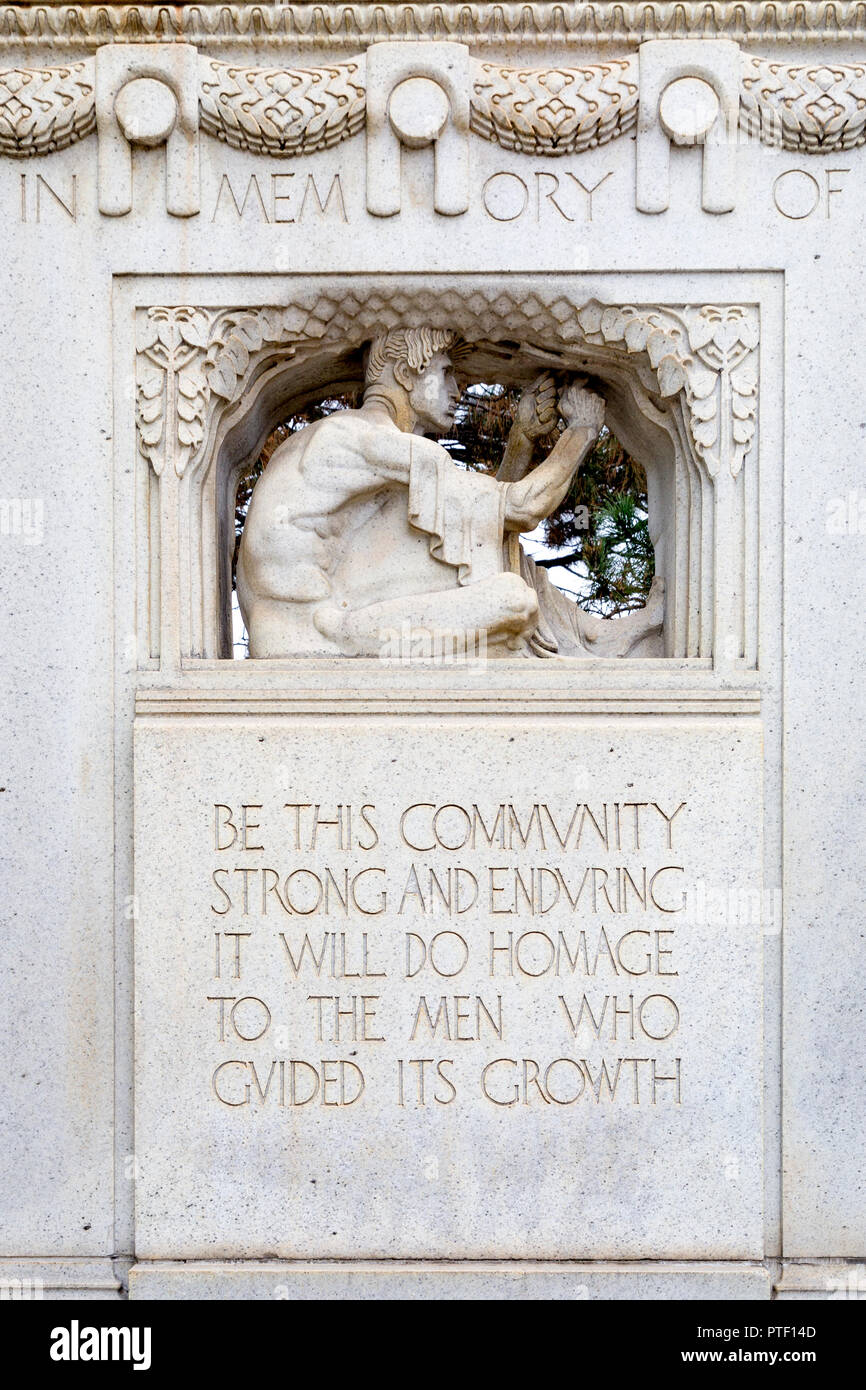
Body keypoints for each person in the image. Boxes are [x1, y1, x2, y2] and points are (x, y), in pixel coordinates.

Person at [237, 325, 606, 658]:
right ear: (404, 374)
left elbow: (475, 522)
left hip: (294, 630)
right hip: (321, 638)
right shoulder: (373, 442)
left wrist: (521, 440)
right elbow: (524, 508)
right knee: (514, 600)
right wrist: (583, 429)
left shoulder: (334, 440)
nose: (457, 390)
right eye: (445, 374)